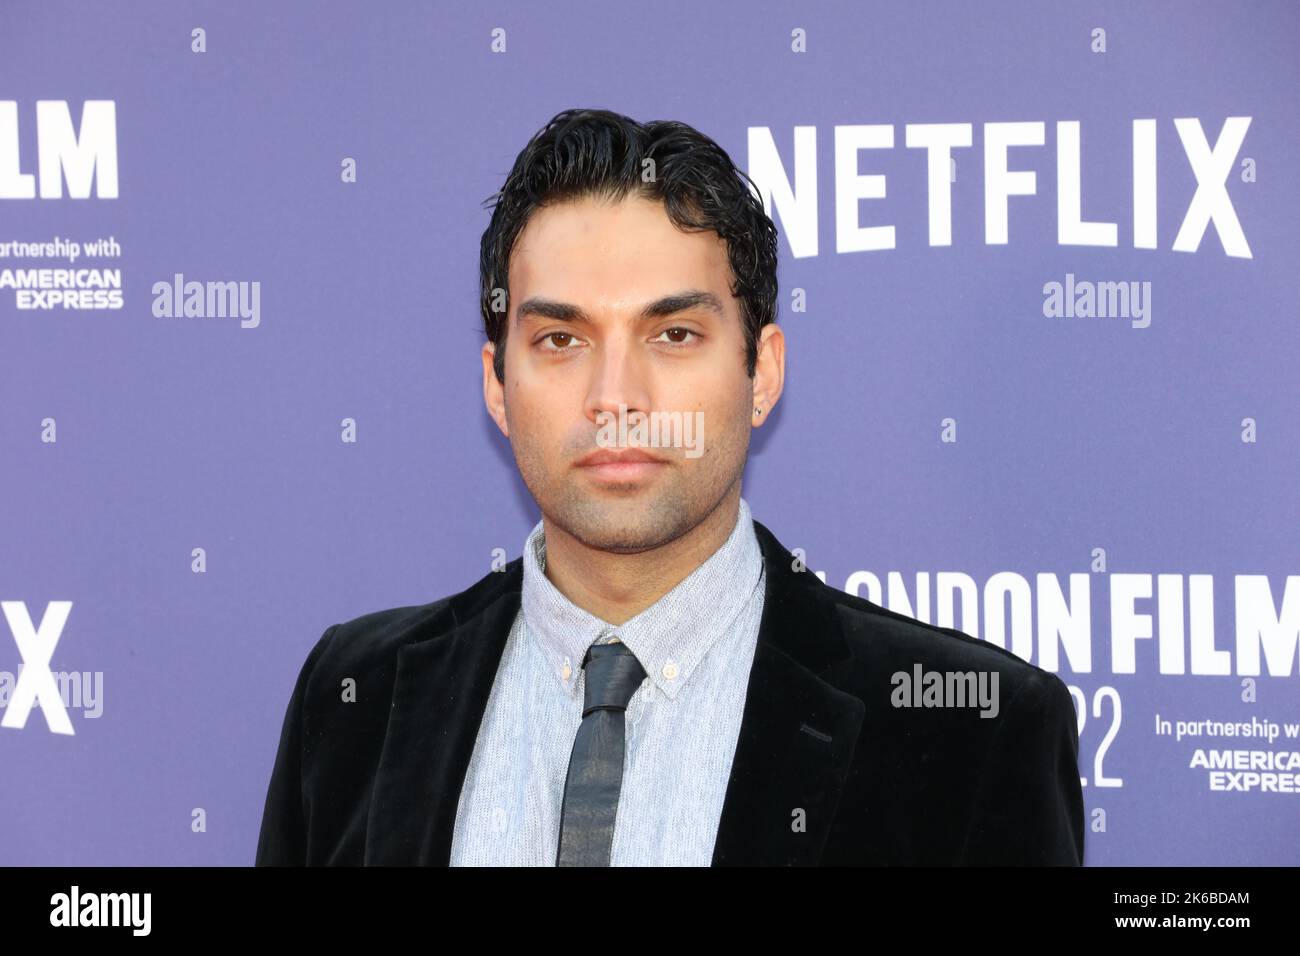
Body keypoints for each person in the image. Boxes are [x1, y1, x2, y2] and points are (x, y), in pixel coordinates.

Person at [255, 108, 1085, 866]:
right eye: (560, 339)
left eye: (675, 333)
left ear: (762, 372)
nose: (616, 397)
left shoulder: (973, 732)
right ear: (496, 386)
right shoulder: (353, 695)